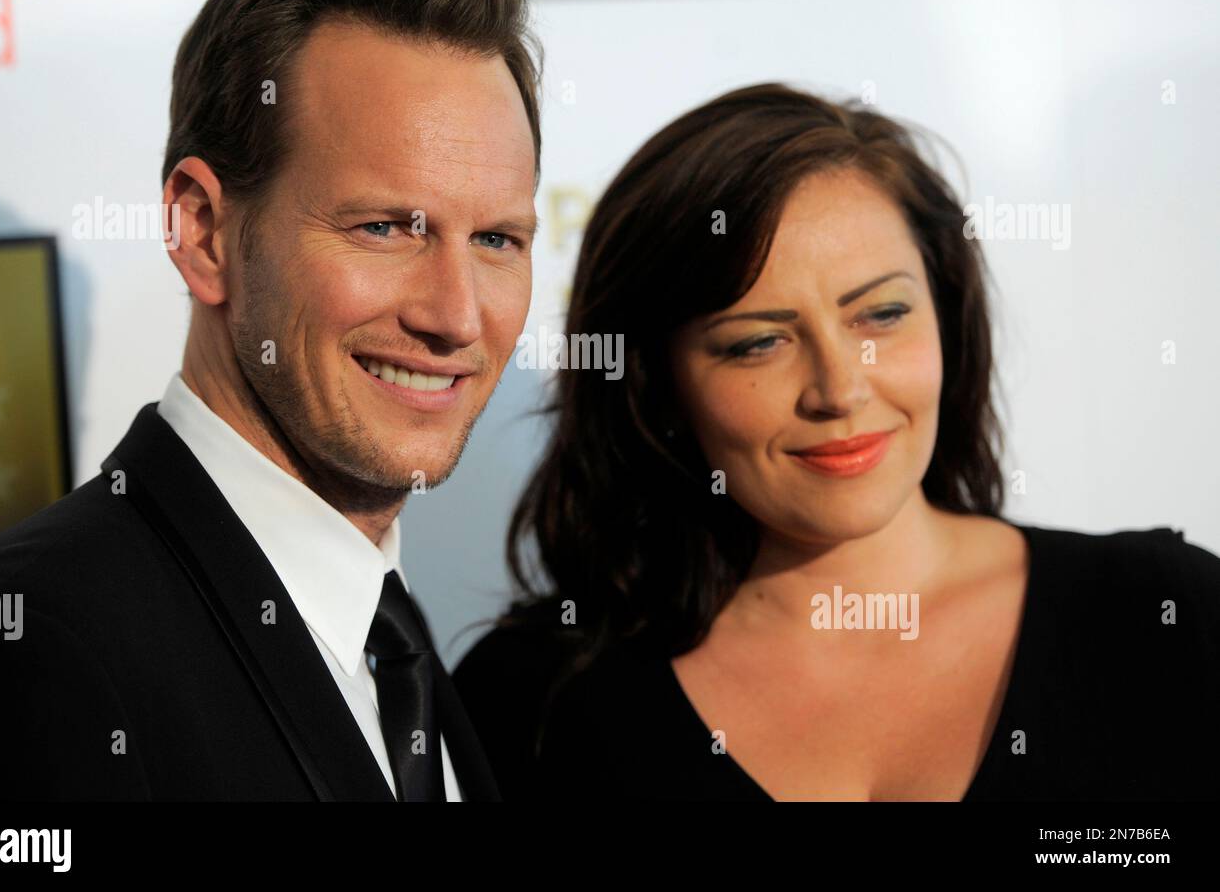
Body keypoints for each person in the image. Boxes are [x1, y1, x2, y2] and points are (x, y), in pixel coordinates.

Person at [452, 83, 1220, 801]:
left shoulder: (1164, 613)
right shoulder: (533, 698)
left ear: (948, 316)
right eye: (756, 343)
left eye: (882, 316)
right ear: (657, 386)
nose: (841, 389)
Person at [0, 0, 542, 801]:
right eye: (382, 229)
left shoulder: (389, 632)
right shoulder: (29, 648)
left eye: (495, 239)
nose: (456, 315)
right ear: (203, 232)